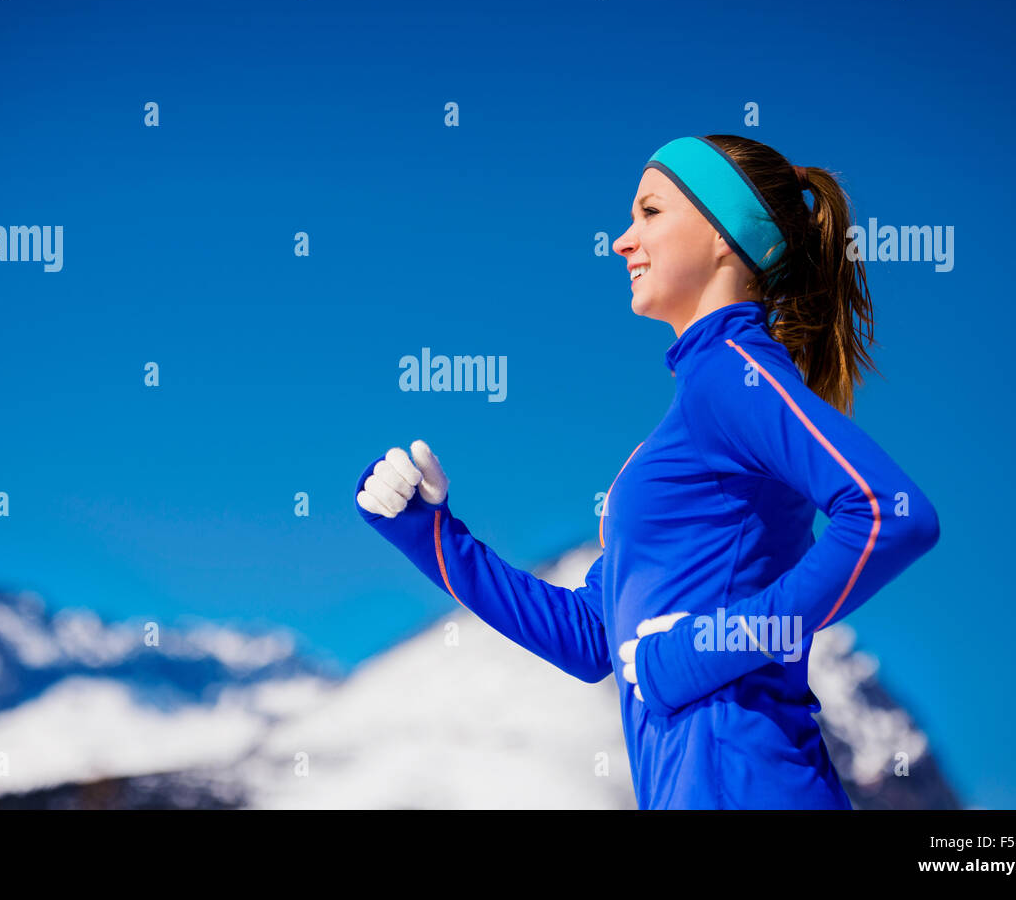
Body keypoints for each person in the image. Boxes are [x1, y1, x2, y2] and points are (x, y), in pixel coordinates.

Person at [354, 134, 941, 809]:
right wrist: (428, 534)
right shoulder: (695, 406)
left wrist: (706, 649)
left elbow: (892, 513)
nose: (621, 241)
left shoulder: (733, 373)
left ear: (725, 236)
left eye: (650, 212)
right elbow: (591, 636)